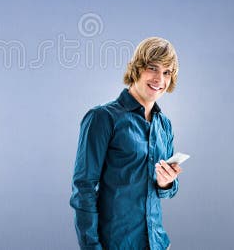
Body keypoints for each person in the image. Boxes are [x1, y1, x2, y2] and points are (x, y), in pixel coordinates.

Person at [71, 37, 183, 250]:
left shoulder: (164, 125)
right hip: (116, 244)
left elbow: (167, 192)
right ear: (137, 68)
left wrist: (166, 182)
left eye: (167, 72)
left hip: (157, 243)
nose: (160, 78)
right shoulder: (102, 118)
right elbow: (83, 188)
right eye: (153, 68)